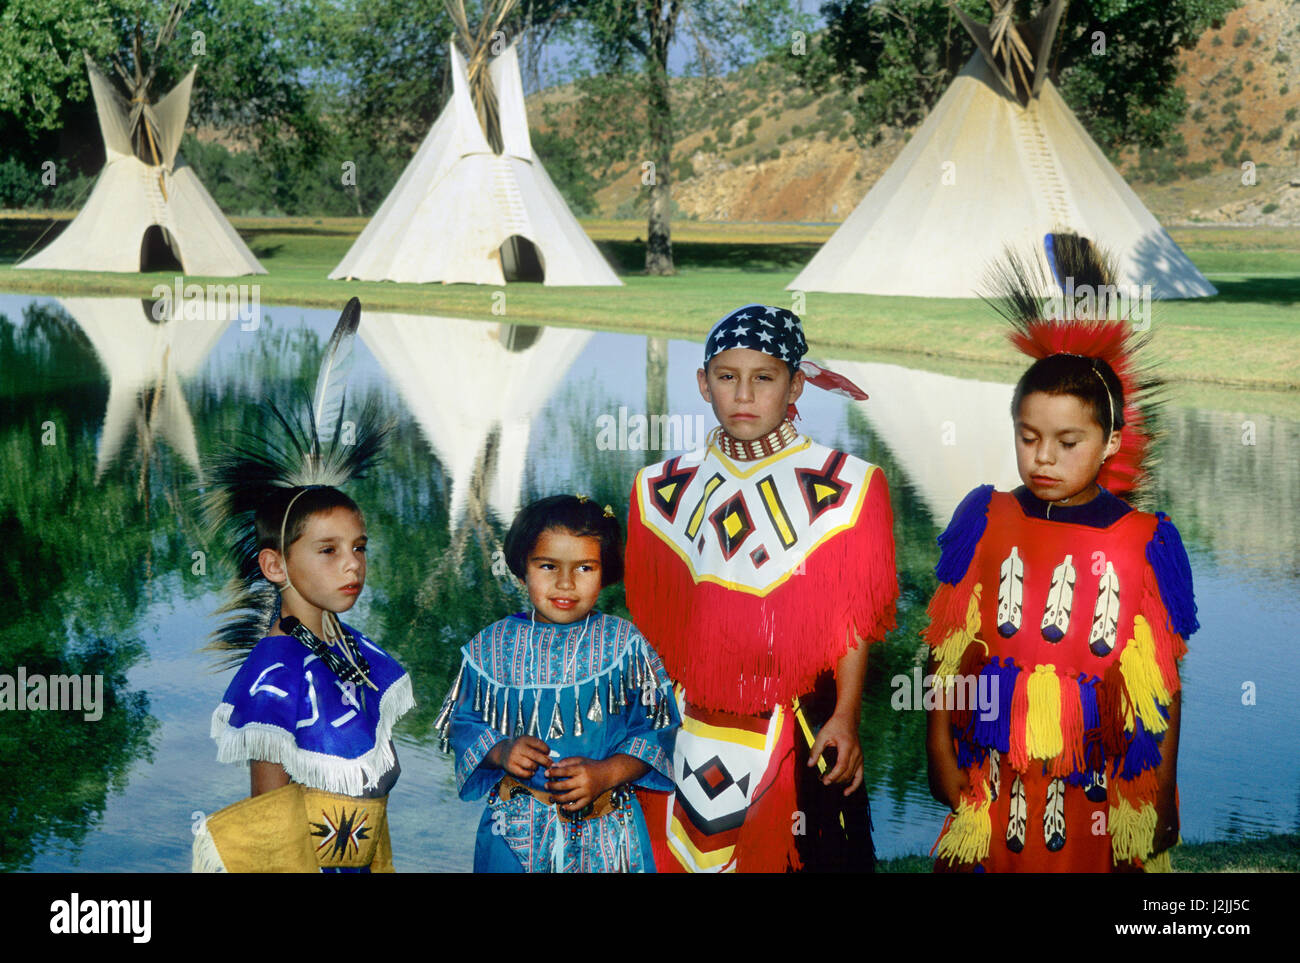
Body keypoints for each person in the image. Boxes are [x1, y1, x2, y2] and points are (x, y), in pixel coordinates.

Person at [924, 237, 1199, 872]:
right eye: (1028, 436)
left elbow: (1162, 687)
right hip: (992, 782)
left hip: (1098, 786)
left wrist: (1159, 793)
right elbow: (947, 649)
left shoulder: (1144, 539)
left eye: (1068, 441)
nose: (1043, 457)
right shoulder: (987, 517)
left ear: (1111, 443)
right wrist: (938, 744)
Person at [624, 304, 898, 872]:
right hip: (684, 720)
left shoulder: (845, 489)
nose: (743, 395)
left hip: (796, 719)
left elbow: (853, 621)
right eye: (727, 377)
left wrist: (845, 716)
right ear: (703, 384)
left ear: (796, 383)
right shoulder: (661, 489)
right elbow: (653, 630)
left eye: (764, 378)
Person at [193, 298, 414, 873]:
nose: (353, 565)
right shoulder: (275, 674)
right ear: (275, 567)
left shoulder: (352, 653)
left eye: (359, 548)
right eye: (328, 551)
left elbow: (372, 810)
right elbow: (270, 824)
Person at [434, 495, 679, 872]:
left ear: (606, 570)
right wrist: (501, 751)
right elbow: (462, 724)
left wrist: (606, 773)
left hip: (609, 833)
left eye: (584, 567)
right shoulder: (490, 647)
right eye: (548, 566)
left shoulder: (626, 646)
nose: (565, 583)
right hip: (510, 838)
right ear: (521, 569)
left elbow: (656, 731)